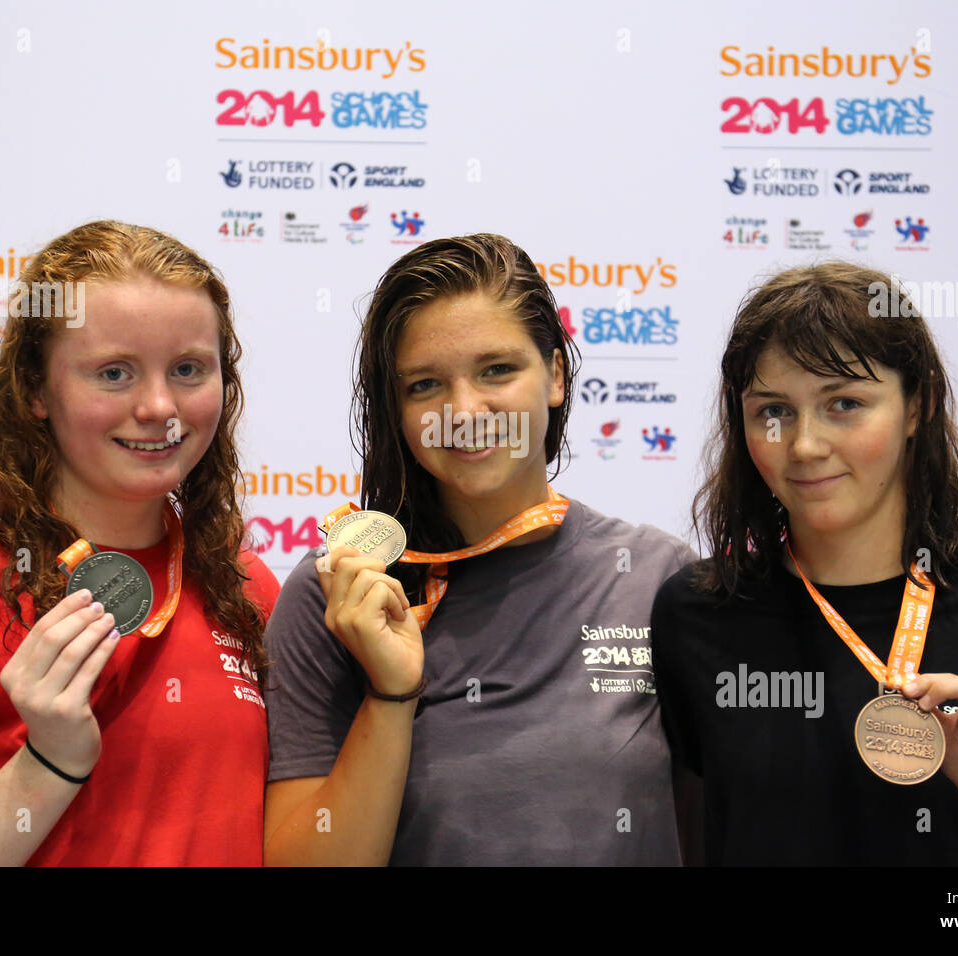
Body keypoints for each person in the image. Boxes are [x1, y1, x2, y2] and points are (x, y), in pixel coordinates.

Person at [0, 221, 278, 865]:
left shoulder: (247, 587)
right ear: (36, 390)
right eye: (114, 372)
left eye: (188, 369)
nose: (159, 405)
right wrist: (46, 765)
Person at [652, 261, 958, 865]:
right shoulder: (695, 613)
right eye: (772, 410)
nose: (804, 445)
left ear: (917, 404)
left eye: (844, 403)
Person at [262, 234, 691, 865]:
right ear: (396, 409)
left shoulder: (659, 579)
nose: (462, 411)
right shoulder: (340, 591)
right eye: (425, 384)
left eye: (497, 370)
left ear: (555, 375)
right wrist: (391, 696)